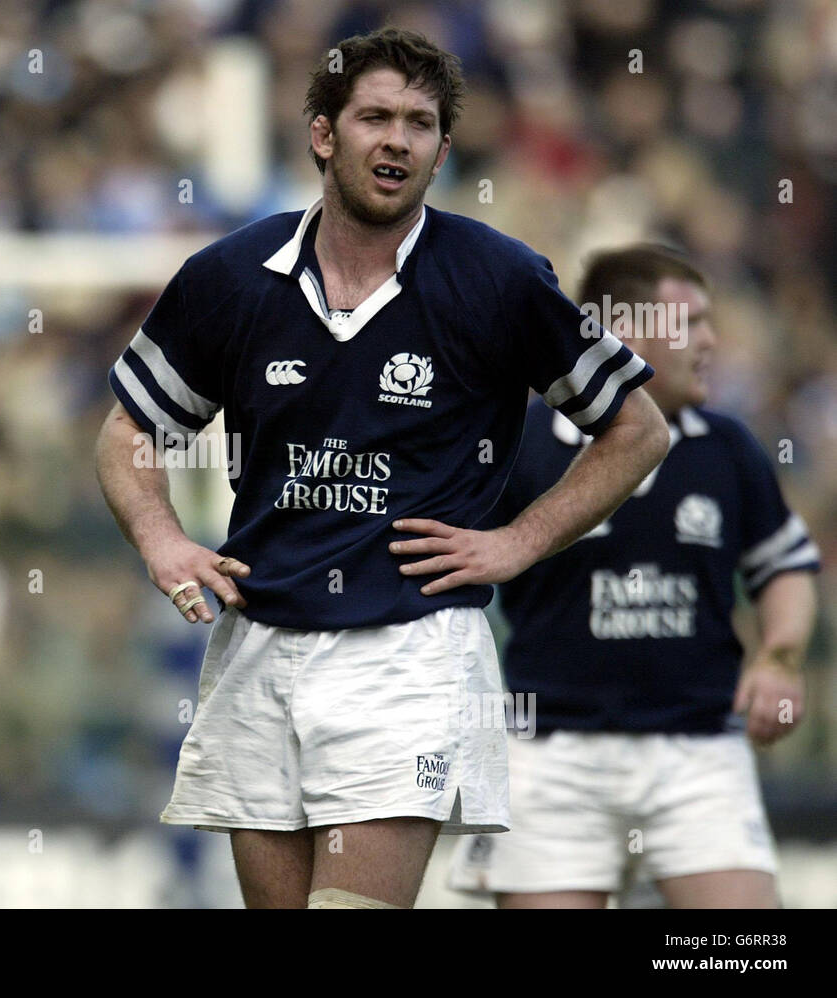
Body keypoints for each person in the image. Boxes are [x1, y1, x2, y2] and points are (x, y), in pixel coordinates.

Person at [95, 28, 670, 909]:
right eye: (374, 117)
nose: (397, 139)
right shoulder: (231, 277)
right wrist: (162, 538)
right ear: (325, 133)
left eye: (421, 123)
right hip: (258, 642)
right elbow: (129, 430)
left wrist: (517, 542)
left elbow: (637, 428)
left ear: (442, 150)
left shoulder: (501, 279)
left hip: (411, 651)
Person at [446, 244, 820, 908]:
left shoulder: (727, 447)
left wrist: (781, 657)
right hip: (549, 754)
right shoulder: (518, 443)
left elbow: (783, 567)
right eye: (693, 322)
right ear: (622, 331)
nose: (711, 340)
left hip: (697, 751)